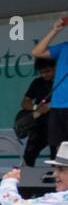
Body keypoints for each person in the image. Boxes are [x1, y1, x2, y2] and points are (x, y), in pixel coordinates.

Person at [32, 14, 68, 156]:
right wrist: (55, 31)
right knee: (59, 153)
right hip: (58, 106)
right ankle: (62, 177)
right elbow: (36, 52)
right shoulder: (64, 47)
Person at [17, 58, 56, 167]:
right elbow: (25, 102)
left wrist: (50, 105)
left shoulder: (63, 83)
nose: (44, 75)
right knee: (28, 156)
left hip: (58, 126)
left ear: (55, 68)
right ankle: (26, 182)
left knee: (56, 158)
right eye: (41, 72)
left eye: (47, 71)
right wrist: (36, 107)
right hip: (39, 126)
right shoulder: (37, 82)